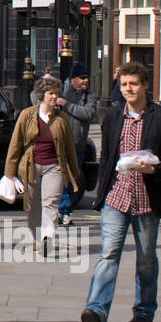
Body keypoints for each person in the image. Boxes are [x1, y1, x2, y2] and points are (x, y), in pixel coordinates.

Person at [80, 61, 161, 322]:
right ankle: (97, 309)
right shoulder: (113, 116)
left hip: (147, 198)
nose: (128, 89)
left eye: (133, 84)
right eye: (124, 84)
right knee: (109, 254)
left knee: (146, 258)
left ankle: (144, 311)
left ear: (145, 85)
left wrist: (155, 169)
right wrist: (100, 194)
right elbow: (106, 159)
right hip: (117, 196)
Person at [5, 75, 79, 253]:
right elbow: (15, 144)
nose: (55, 96)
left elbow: (69, 146)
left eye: (56, 93)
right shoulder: (27, 115)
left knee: (51, 203)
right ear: (42, 95)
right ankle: (36, 237)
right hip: (30, 165)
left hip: (54, 166)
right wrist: (9, 172)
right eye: (51, 93)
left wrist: (74, 171)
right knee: (32, 206)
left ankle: (47, 237)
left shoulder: (62, 119)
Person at [57, 63, 97, 227]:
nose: (86, 80)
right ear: (73, 79)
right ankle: (64, 210)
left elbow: (88, 114)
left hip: (78, 146)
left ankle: (62, 210)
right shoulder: (60, 90)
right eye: (82, 77)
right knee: (59, 178)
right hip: (59, 144)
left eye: (87, 77)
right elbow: (35, 97)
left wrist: (67, 105)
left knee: (70, 179)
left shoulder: (91, 96)